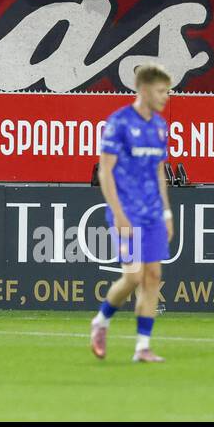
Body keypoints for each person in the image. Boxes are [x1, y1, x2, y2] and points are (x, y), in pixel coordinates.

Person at [89, 63, 174, 364]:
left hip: (152, 213)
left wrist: (166, 213)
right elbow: (105, 172)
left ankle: (142, 347)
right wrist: (118, 213)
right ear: (143, 89)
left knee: (153, 277)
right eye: (161, 91)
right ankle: (101, 320)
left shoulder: (160, 126)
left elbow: (159, 171)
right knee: (133, 276)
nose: (166, 97)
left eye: (167, 91)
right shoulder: (119, 123)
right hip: (127, 213)